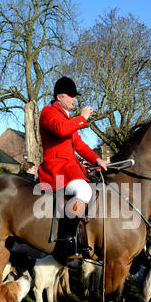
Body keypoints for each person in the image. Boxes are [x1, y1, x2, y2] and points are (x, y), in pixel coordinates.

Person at [38, 76, 109, 258]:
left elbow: (80, 145)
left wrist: (97, 160)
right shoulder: (48, 112)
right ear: (59, 97)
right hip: (57, 170)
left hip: (70, 169)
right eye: (71, 96)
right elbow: (61, 129)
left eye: (75, 96)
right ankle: (66, 239)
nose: (75, 100)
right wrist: (83, 117)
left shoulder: (67, 118)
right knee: (84, 191)